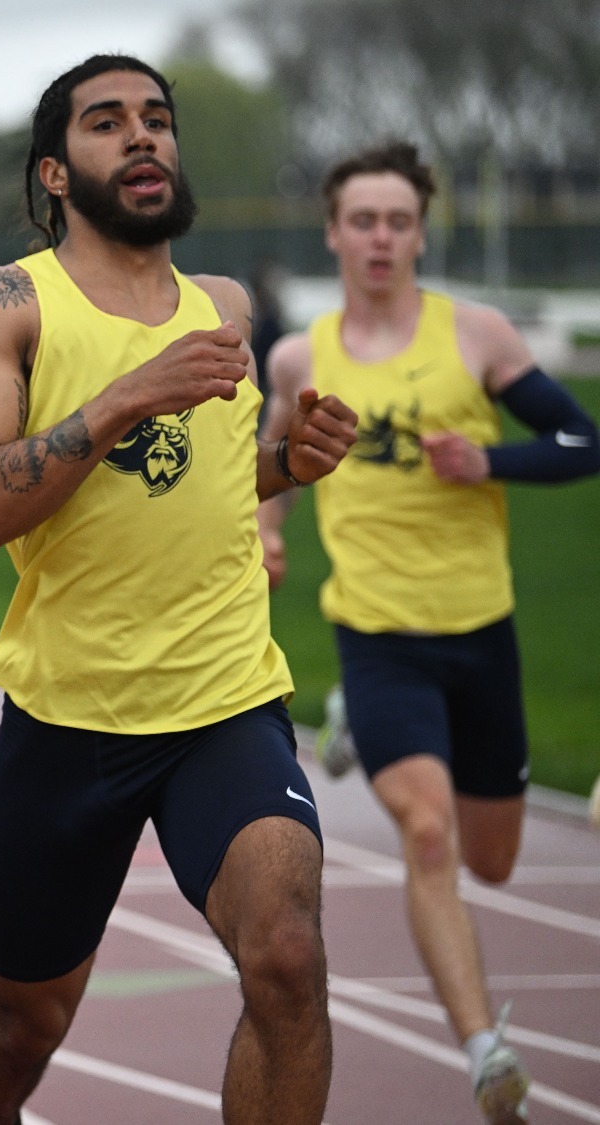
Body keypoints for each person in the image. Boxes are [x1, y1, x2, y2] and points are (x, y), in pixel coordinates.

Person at [0, 55, 359, 1125]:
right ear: (56, 173)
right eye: (107, 121)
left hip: (223, 702)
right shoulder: (2, 304)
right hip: (69, 717)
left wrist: (286, 464)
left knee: (287, 960)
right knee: (23, 1022)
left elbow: (198, 475)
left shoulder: (221, 305)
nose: (142, 137)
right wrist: (123, 396)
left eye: (157, 119)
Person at [257, 141, 600, 1124]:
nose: (378, 238)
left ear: (418, 232)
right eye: (360, 221)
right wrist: (267, 531)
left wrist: (489, 462)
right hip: (376, 634)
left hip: (477, 634)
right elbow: (268, 459)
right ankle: (481, 1048)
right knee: (425, 831)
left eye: (396, 222)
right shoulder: (297, 356)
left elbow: (581, 440)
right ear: (332, 233)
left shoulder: (476, 337)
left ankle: (349, 725)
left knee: (492, 858)